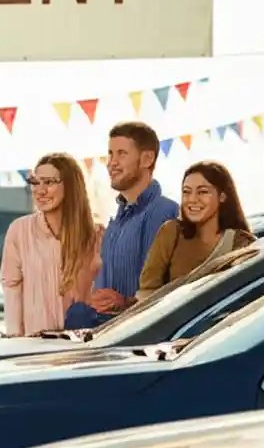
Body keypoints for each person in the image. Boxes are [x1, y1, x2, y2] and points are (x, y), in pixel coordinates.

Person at [67, 121, 180, 327]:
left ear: (147, 159)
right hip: (106, 332)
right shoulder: (116, 221)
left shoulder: (163, 212)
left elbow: (164, 289)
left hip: (136, 336)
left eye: (121, 154)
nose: (112, 162)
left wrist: (125, 303)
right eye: (110, 154)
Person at [0, 153, 103, 336]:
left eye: (49, 182)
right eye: (35, 182)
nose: (40, 190)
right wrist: (14, 340)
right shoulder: (19, 231)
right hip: (35, 350)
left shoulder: (96, 235)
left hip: (81, 349)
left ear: (70, 186)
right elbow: (11, 289)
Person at [137, 160, 254, 299]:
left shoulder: (240, 243)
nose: (192, 199)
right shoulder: (171, 232)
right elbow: (147, 291)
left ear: (222, 196)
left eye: (202, 192)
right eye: (186, 192)